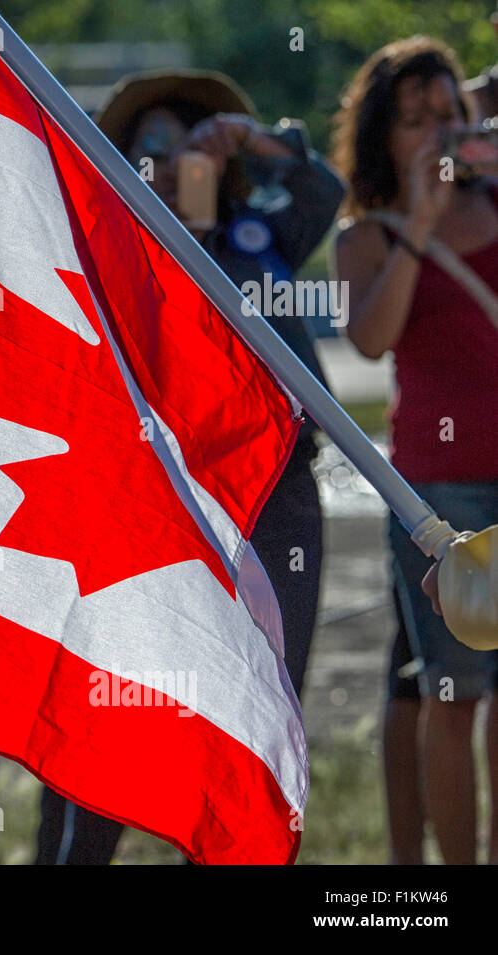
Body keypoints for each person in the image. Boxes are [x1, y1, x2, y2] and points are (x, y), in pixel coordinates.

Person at [37, 69, 345, 865]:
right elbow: (167, 329)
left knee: (261, 712)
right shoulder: (113, 242)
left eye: (195, 139)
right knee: (120, 718)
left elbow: (324, 187)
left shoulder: (259, 231)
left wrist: (246, 140)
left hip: (277, 496)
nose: (178, 160)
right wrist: (185, 215)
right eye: (156, 147)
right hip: (164, 503)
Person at [333, 35, 498, 865]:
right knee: (455, 691)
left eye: (450, 115)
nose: (437, 133)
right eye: (414, 120)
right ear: (380, 138)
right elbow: (370, 338)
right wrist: (420, 225)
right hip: (440, 495)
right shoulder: (366, 238)